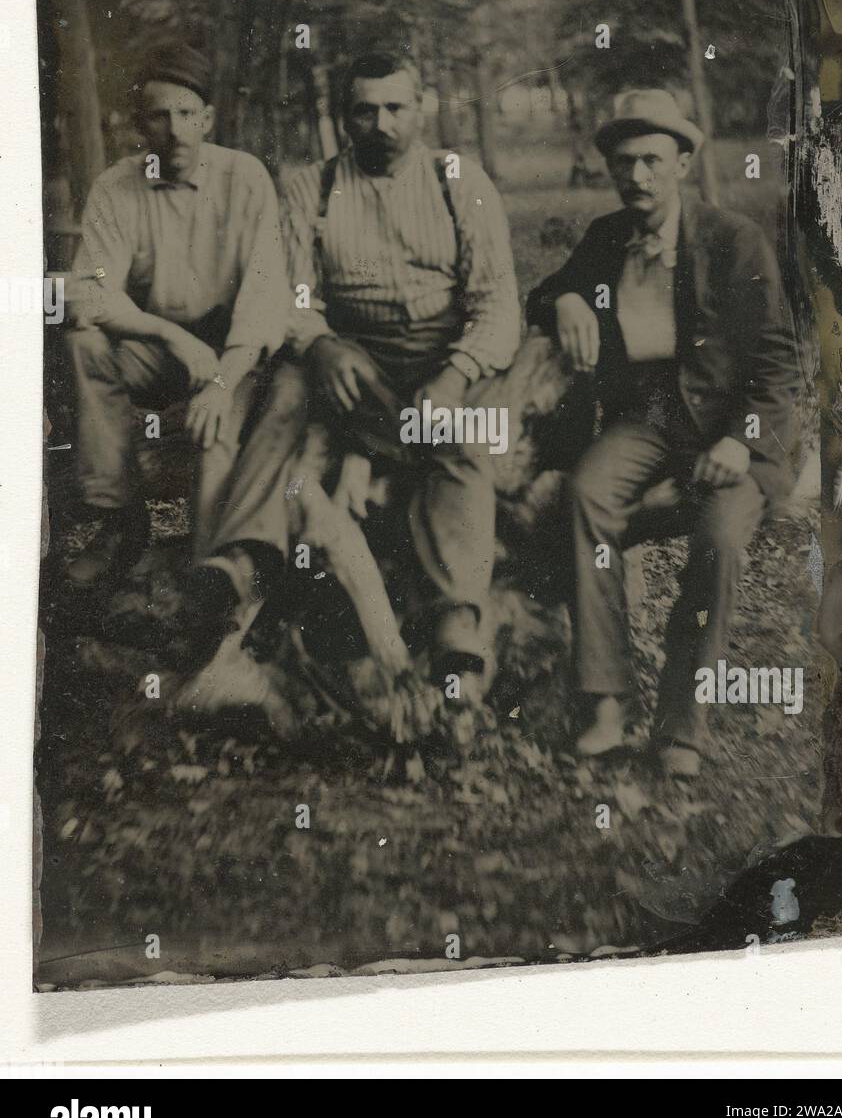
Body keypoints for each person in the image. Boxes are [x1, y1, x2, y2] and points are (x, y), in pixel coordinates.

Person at [186, 49, 521, 688]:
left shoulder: (460, 182)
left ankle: (456, 615)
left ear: (420, 108)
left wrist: (453, 374)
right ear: (343, 118)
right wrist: (318, 344)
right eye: (364, 111)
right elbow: (288, 294)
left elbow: (498, 303)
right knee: (285, 392)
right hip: (348, 350)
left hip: (438, 349)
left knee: (457, 435)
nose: (382, 124)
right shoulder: (309, 186)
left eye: (396, 107)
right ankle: (243, 556)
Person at [527, 89, 801, 778]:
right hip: (650, 417)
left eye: (652, 160)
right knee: (587, 495)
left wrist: (740, 440)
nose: (637, 177)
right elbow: (545, 291)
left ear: (682, 162)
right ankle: (606, 701)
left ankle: (682, 725)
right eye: (624, 163)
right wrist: (563, 298)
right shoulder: (605, 238)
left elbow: (777, 362)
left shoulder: (732, 241)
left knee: (716, 540)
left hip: (739, 425)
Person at [63, 42, 287, 588]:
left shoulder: (245, 178)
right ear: (141, 123)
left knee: (217, 433)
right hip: (159, 346)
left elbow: (264, 299)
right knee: (84, 342)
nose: (177, 131)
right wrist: (168, 335)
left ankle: (207, 572)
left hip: (232, 347)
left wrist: (221, 381)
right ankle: (118, 521)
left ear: (208, 119)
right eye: (161, 116)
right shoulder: (118, 186)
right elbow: (89, 294)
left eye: (188, 114)